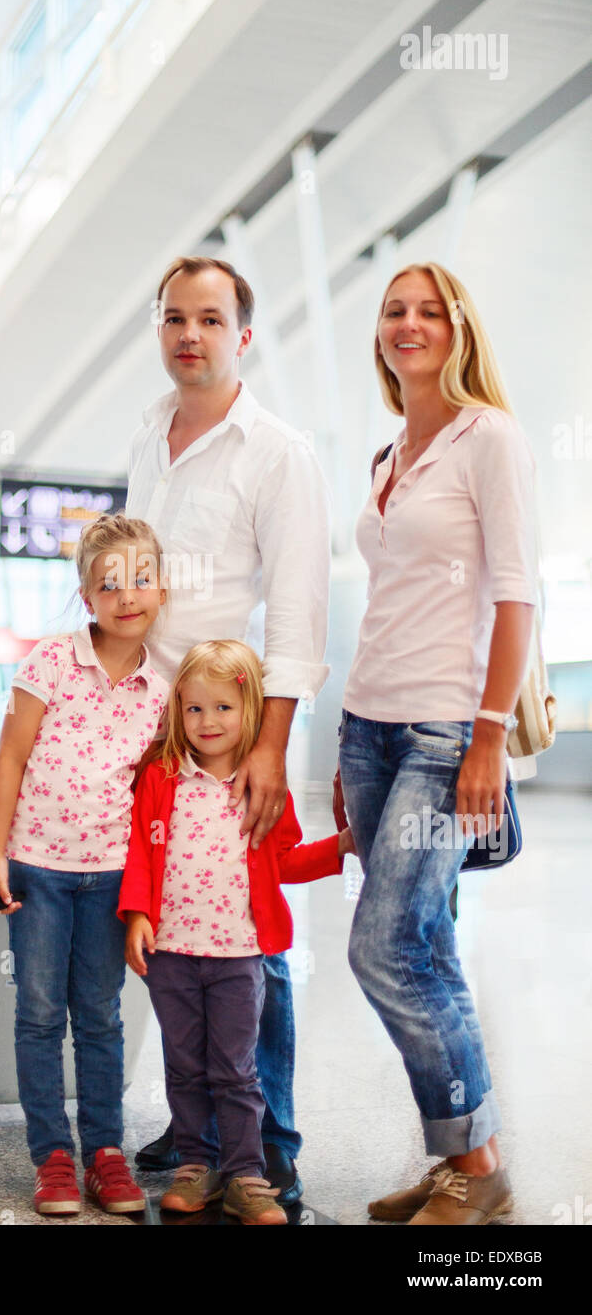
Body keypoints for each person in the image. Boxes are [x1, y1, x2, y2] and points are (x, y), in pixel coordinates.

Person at [333, 261, 537, 1225]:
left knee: (382, 949)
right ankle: (458, 1155)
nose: (408, 324)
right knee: (428, 944)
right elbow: (384, 607)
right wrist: (343, 749)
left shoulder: (486, 438)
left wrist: (488, 738)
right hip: (370, 730)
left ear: (458, 329)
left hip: (444, 732)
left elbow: (515, 594)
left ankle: (480, 1163)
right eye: (393, 311)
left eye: (427, 311)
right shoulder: (387, 457)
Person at [127, 256, 331, 1203]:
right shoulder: (149, 435)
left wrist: (269, 745)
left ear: (242, 334)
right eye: (174, 317)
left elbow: (296, 612)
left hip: (232, 728)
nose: (189, 334)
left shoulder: (277, 451)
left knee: (252, 940)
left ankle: (271, 1138)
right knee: (180, 934)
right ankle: (196, 1130)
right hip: (156, 734)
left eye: (210, 319)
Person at [120, 641, 352, 1225]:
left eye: (223, 708)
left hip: (239, 956)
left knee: (235, 1069)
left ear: (249, 712)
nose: (208, 722)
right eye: (195, 709)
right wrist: (138, 915)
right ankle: (196, 1166)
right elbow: (141, 856)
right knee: (184, 1066)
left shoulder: (263, 787)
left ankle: (248, 1175)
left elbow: (288, 861)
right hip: (171, 951)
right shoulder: (162, 777)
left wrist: (343, 846)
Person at [0, 513, 169, 1217]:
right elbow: (11, 759)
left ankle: (106, 1153)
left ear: (162, 589)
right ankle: (52, 1157)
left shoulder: (162, 690)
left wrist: (147, 894)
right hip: (37, 870)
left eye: (141, 580)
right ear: (87, 597)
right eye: (110, 584)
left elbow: (154, 799)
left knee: (99, 1015)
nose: (128, 595)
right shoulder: (51, 662)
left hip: (111, 878)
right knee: (37, 1013)